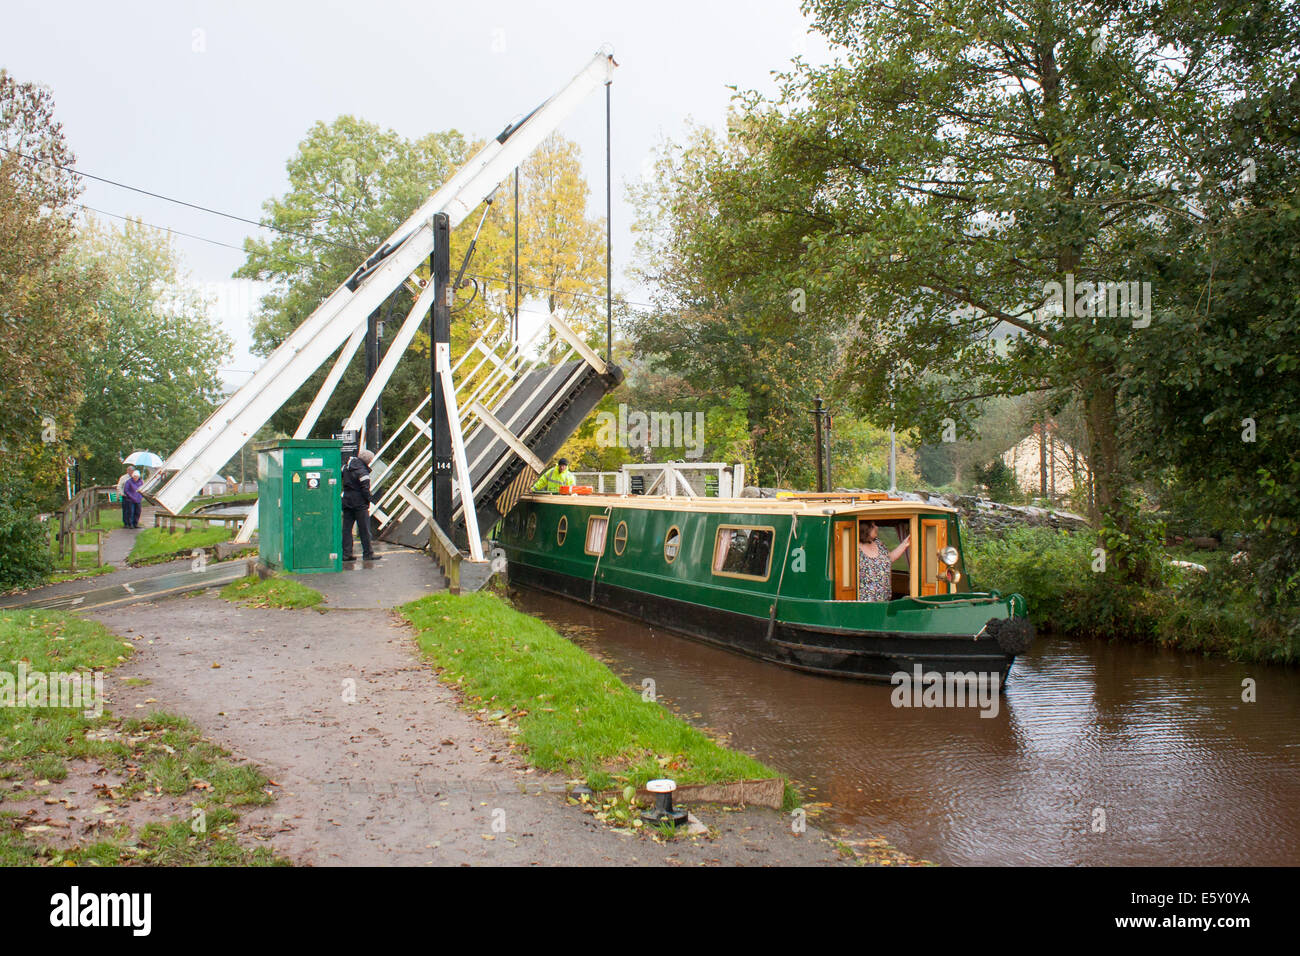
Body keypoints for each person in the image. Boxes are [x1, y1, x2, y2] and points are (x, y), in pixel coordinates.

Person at [341, 449, 379, 562]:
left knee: (347, 529)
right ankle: (368, 553)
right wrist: (369, 500)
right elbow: (365, 489)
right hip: (359, 503)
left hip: (347, 501)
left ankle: (346, 554)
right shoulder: (363, 471)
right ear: (368, 460)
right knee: (364, 529)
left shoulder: (346, 467)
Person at [857, 519, 910, 602]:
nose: (877, 527)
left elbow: (889, 558)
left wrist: (904, 544)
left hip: (885, 600)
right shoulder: (855, 548)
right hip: (865, 603)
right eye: (873, 526)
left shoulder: (878, 543)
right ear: (865, 528)